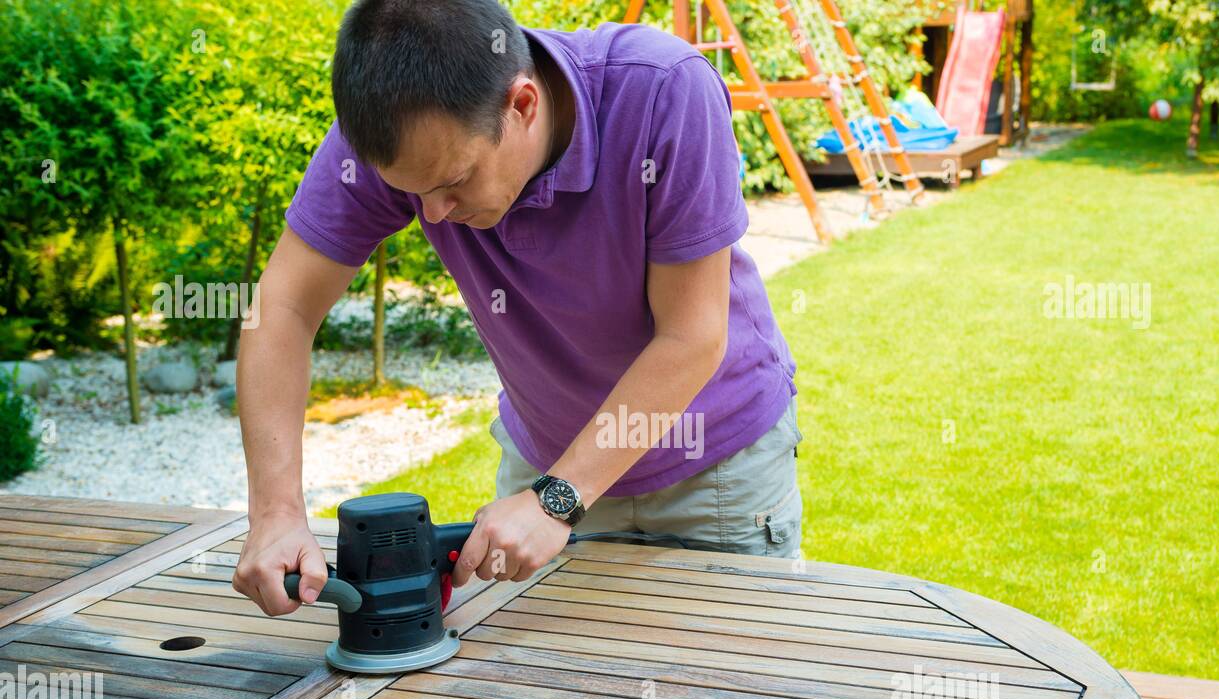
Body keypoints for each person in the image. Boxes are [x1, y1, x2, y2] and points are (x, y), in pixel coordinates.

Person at [233, 0, 802, 617]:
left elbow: (690, 336)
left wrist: (558, 499)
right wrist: (276, 513)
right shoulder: (394, 135)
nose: (434, 214)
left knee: (728, 697)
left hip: (712, 466)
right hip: (548, 458)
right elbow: (282, 308)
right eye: (410, 194)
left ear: (523, 104)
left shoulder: (665, 91)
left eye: (455, 181)